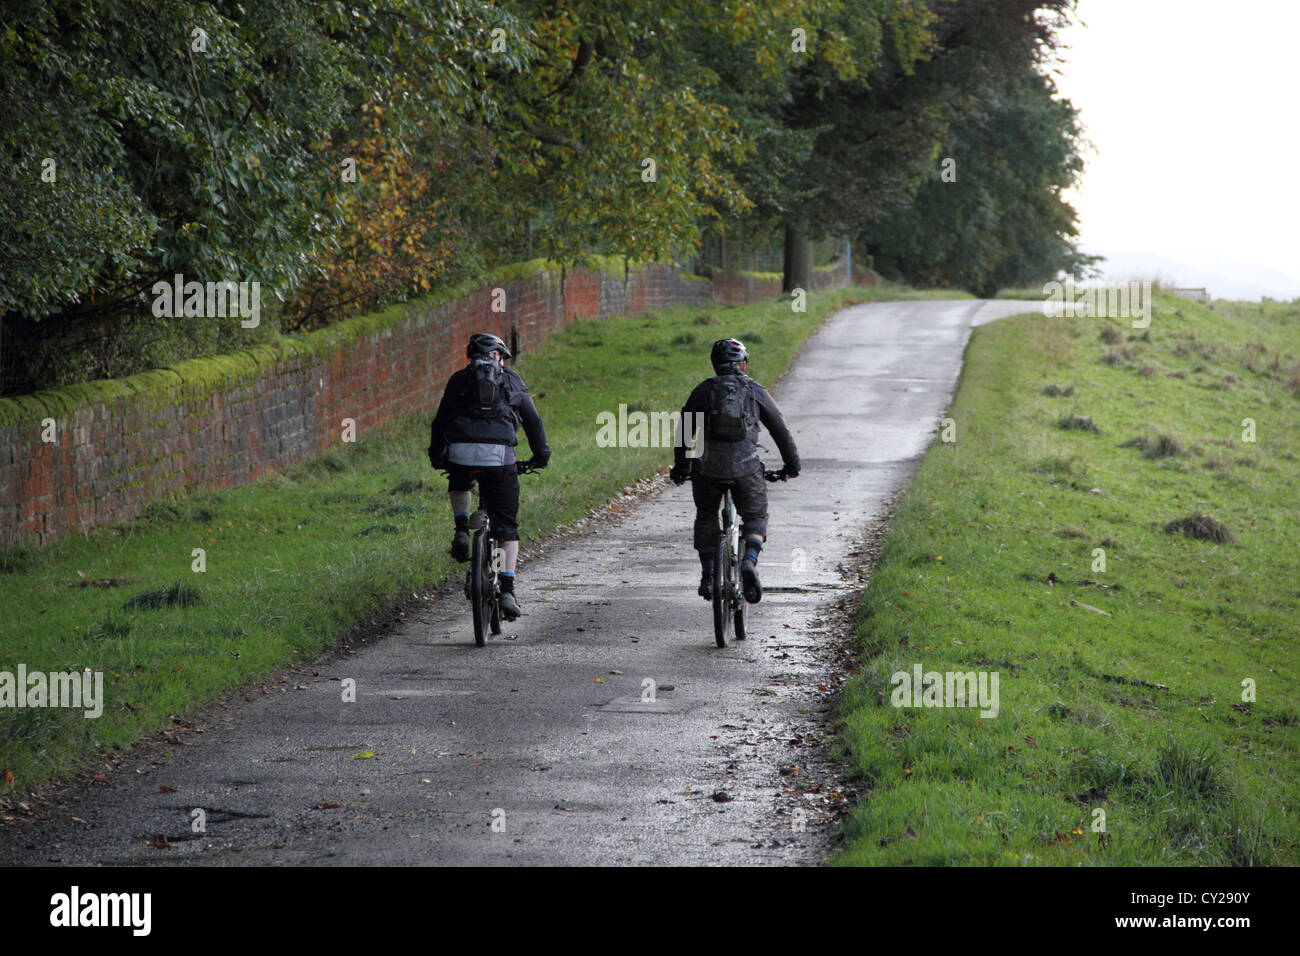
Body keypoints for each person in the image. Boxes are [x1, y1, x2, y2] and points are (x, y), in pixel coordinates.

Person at [428, 333, 550, 619]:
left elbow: (439, 423)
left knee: (459, 478)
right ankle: (506, 589)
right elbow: (534, 423)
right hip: (500, 458)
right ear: (500, 357)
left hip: (460, 454)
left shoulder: (458, 380)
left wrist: (437, 457)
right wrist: (540, 457)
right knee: (505, 527)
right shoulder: (512, 381)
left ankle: (461, 528)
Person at [669, 338, 799, 604]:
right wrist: (791, 466)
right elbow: (780, 430)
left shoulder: (704, 391)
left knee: (706, 515)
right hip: (746, 469)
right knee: (755, 515)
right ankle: (749, 561)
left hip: (707, 470)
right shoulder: (755, 391)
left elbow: (684, 432)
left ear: (715, 366)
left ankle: (708, 575)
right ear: (743, 364)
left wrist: (682, 468)